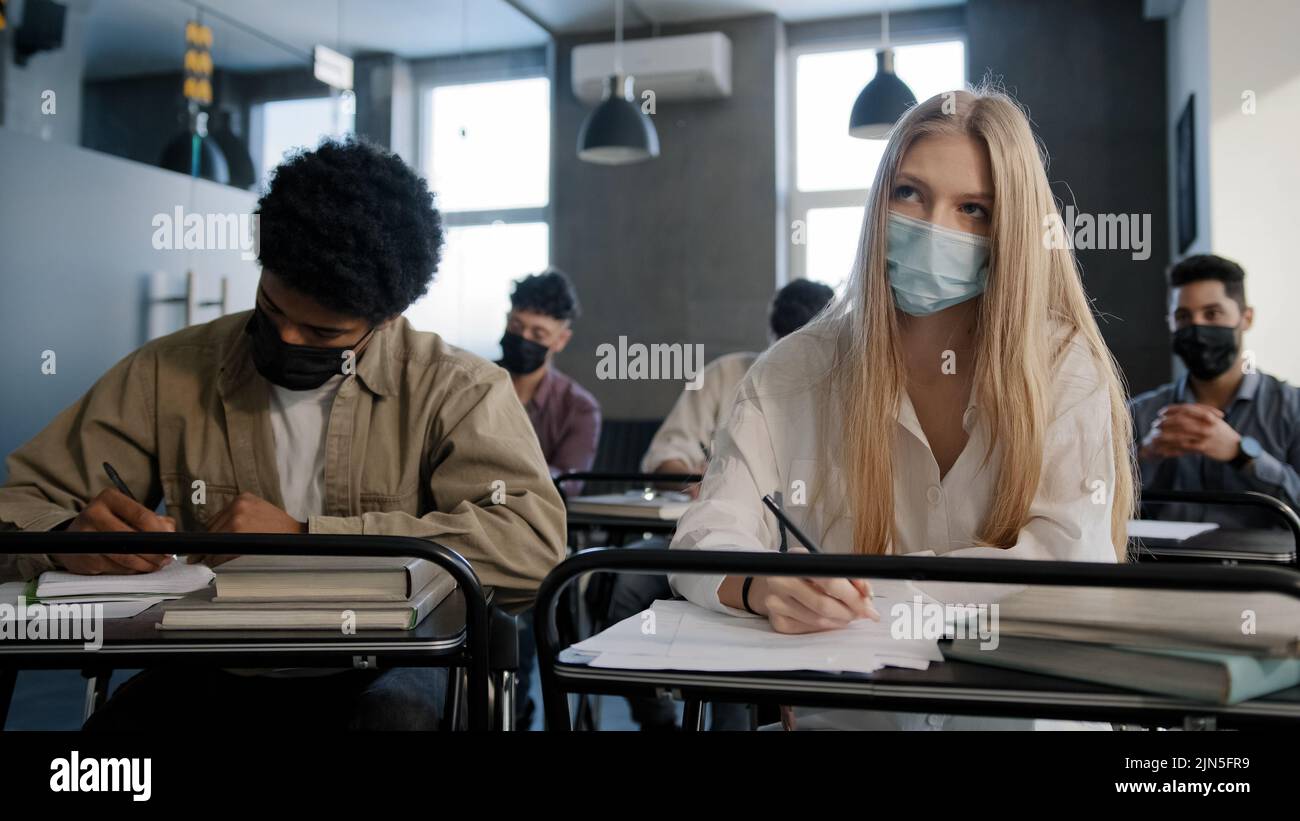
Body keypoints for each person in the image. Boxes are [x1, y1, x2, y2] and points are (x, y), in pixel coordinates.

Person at [0, 137, 567, 731]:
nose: (289, 340)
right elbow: (20, 505)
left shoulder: (457, 388)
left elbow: (531, 546)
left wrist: (304, 537)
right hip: (215, 662)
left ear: (387, 317)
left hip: (386, 663)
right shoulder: (169, 371)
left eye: (323, 334)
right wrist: (67, 536)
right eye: (271, 311)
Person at [668, 87, 1136, 730]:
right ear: (878, 200)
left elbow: (1066, 567)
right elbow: (703, 536)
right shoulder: (794, 370)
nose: (933, 228)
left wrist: (875, 593)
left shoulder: (1061, 365)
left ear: (1012, 229)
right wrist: (759, 585)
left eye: (973, 208)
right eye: (910, 193)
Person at [609, 278, 836, 730]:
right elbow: (665, 452)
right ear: (770, 336)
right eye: (782, 344)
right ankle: (658, 721)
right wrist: (701, 480)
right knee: (628, 588)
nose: (792, 359)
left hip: (796, 556)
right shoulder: (727, 376)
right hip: (701, 538)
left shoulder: (839, 393)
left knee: (750, 624)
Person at [1129, 254, 1300, 527]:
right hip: (1163, 567)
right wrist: (1144, 456)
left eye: (1213, 314)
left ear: (1246, 318)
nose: (1197, 328)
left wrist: (1241, 453)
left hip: (1261, 567)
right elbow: (1099, 507)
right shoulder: (1138, 413)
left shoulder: (1292, 409)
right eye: (1183, 317)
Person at [499, 269, 602, 480]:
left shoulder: (578, 408)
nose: (523, 338)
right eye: (516, 326)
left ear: (561, 340)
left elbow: (568, 484)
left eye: (538, 334)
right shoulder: (473, 385)